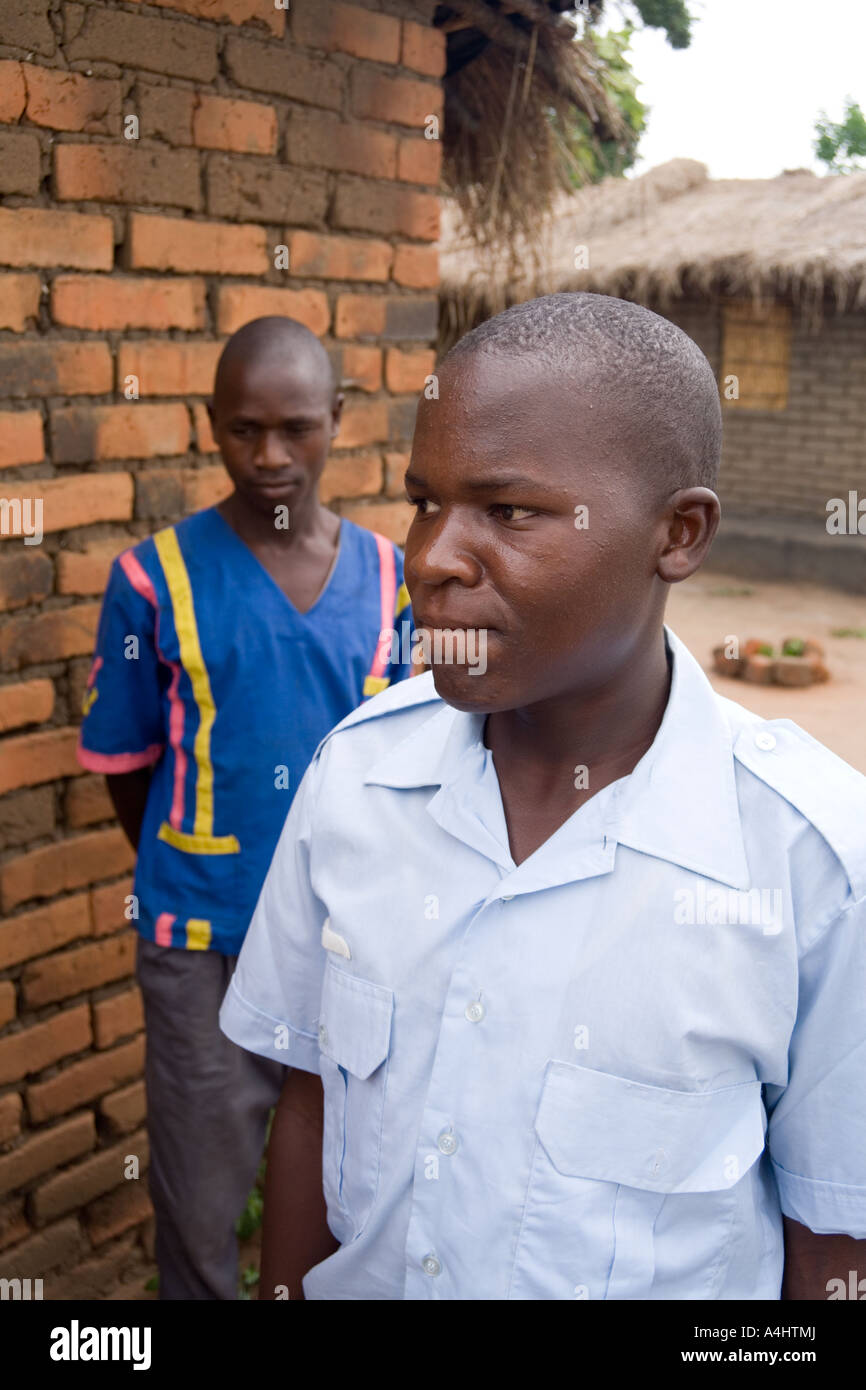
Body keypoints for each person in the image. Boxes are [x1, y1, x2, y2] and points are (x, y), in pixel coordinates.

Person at [219, 293, 866, 1301]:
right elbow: (310, 1100)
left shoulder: (811, 864)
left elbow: (830, 1243)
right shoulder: (357, 777)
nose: (429, 557)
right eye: (422, 500)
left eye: (509, 512)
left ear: (677, 533)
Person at [77, 315, 413, 1300]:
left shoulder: (393, 581)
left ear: (338, 421)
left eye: (296, 428)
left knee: (350, 1186)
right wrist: (200, 874)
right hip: (201, 943)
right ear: (208, 424)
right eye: (243, 429)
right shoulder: (155, 577)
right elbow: (126, 764)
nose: (270, 456)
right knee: (199, 1196)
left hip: (349, 940)